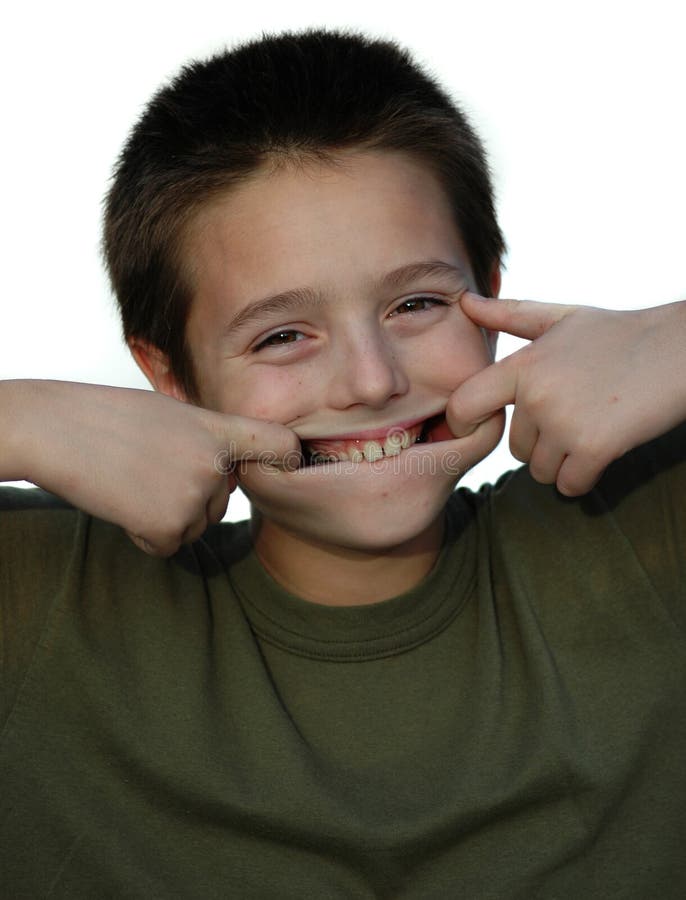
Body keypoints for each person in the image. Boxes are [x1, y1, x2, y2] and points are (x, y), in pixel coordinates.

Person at [1, 27, 684, 899]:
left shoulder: (646, 519)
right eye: (283, 336)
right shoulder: (49, 602)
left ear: (490, 289)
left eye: (416, 303)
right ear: (168, 375)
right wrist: (17, 417)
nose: (371, 381)